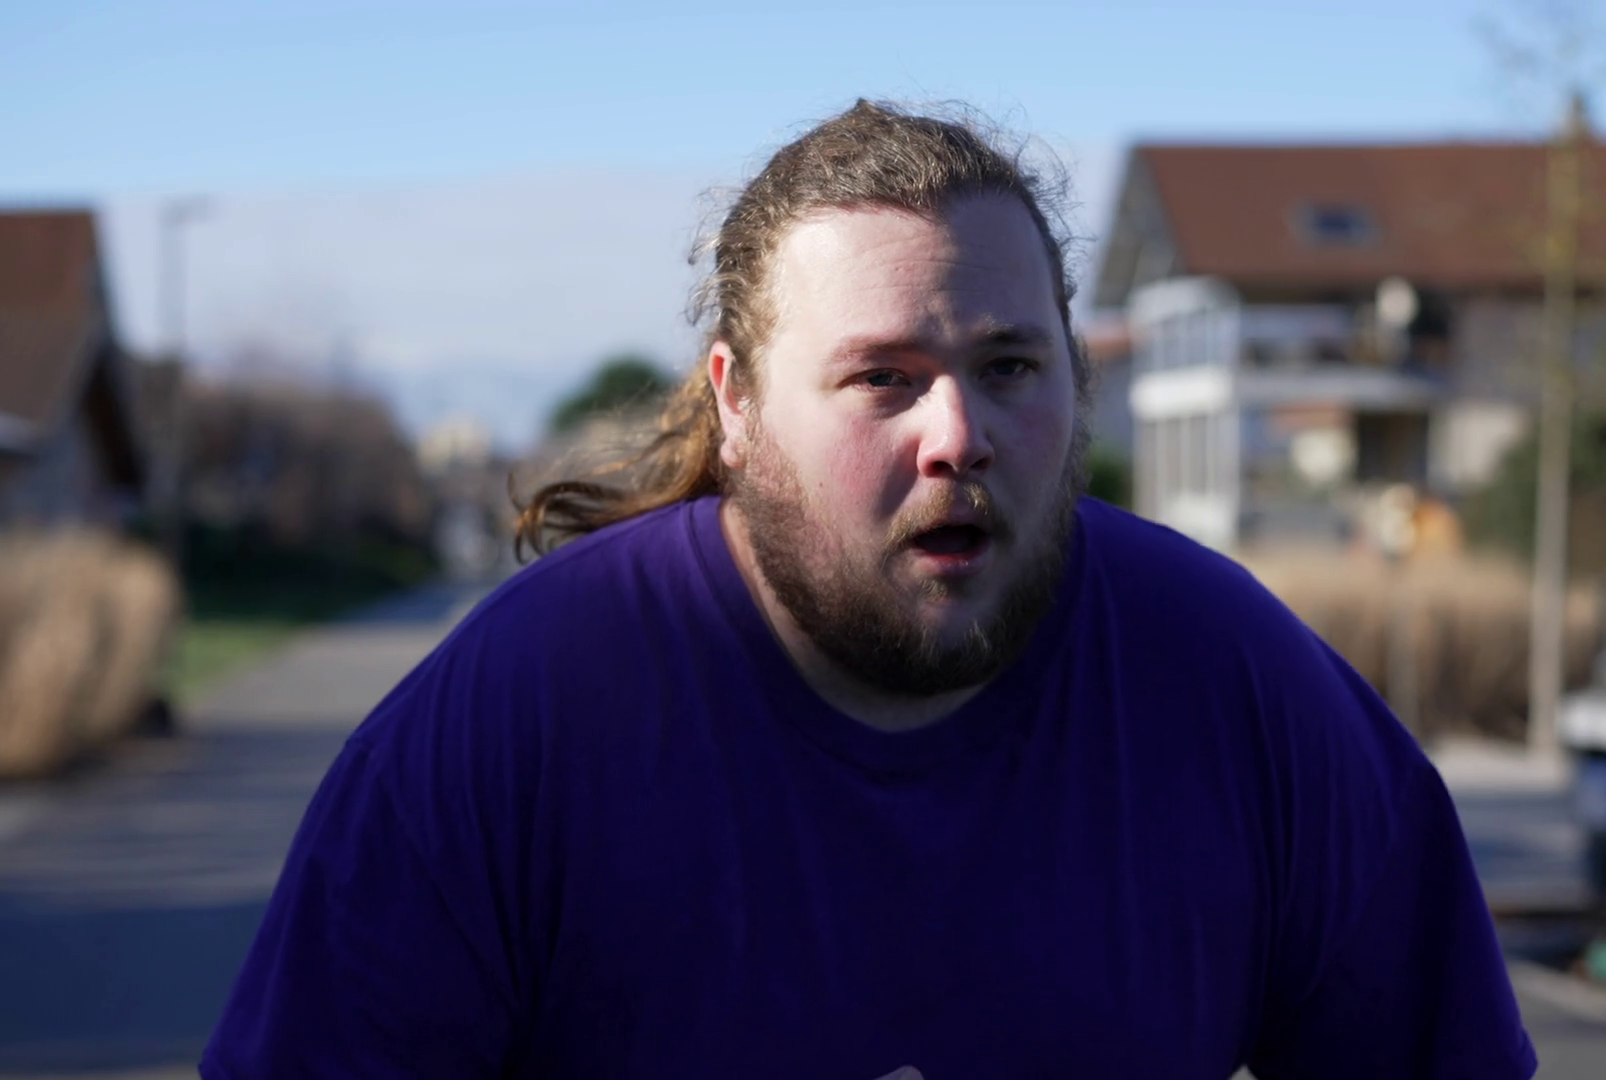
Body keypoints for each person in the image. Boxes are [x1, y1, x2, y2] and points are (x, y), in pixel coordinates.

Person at [202, 101, 1536, 1079]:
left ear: (1076, 381)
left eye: (1011, 365)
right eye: (882, 377)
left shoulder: (1239, 684)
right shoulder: (519, 716)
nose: (956, 433)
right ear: (736, 406)